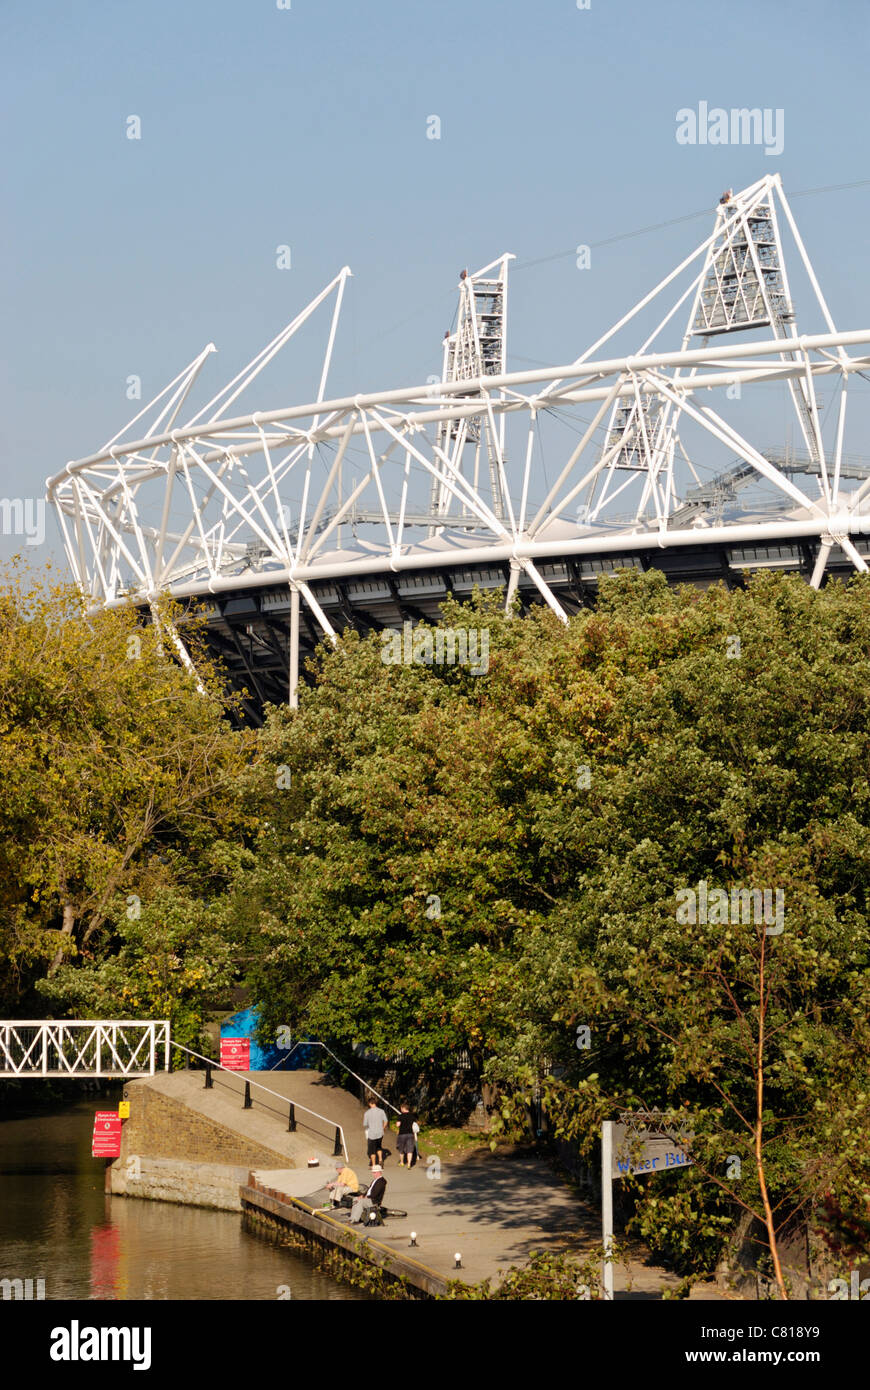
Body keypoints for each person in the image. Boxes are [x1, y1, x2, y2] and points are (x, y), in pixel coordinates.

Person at [363, 1096, 389, 1167]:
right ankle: (380, 1160)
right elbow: (386, 1121)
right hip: (380, 1133)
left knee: (372, 1150)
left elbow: (365, 1124)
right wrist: (383, 1128)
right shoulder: (381, 1111)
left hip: (372, 1133)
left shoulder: (367, 1113)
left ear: (369, 1103)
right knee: (379, 1147)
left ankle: (374, 1165)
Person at [396, 1102, 418, 1168]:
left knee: (401, 1149)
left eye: (401, 1108)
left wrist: (398, 1123)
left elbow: (398, 1125)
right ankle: (409, 1164)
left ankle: (402, 1162)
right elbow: (414, 1125)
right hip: (410, 1134)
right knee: (410, 1150)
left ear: (403, 1108)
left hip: (402, 1134)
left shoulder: (400, 1116)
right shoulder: (412, 1116)